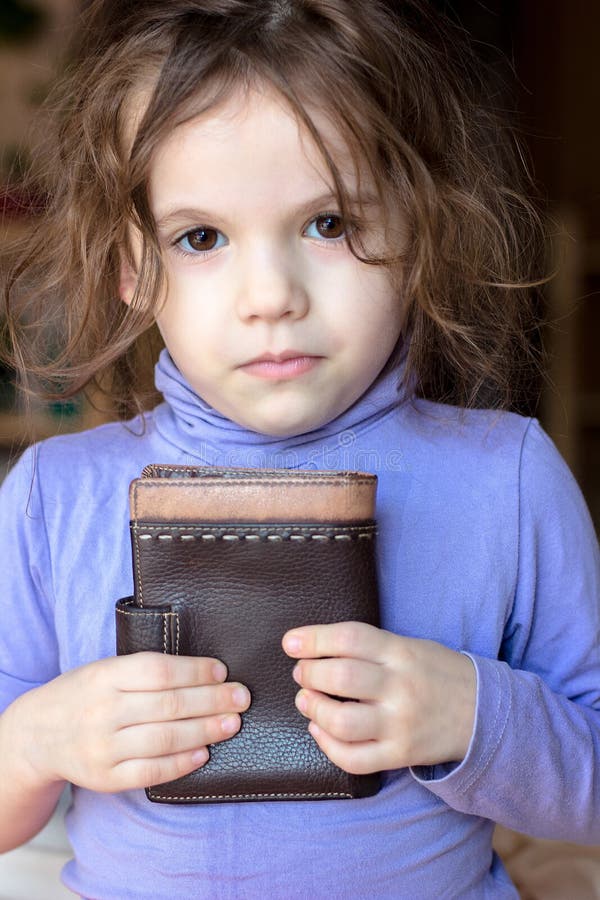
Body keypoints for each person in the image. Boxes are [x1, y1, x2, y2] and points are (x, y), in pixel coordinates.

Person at [0, 0, 598, 897]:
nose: (271, 295)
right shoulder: (54, 493)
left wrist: (477, 715)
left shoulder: (507, 479)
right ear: (131, 266)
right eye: (201, 237)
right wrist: (34, 742)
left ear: (416, 224)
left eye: (328, 223)